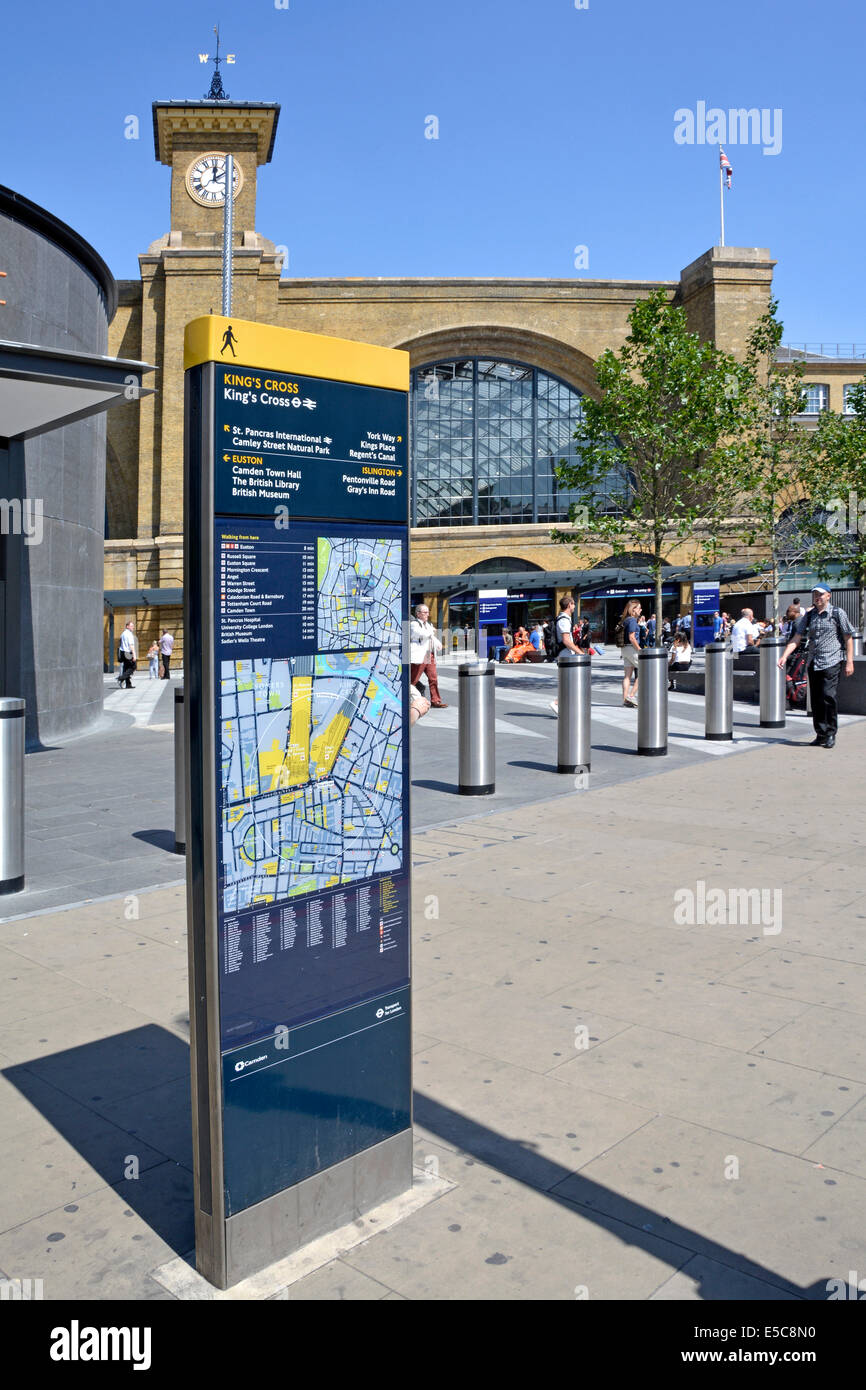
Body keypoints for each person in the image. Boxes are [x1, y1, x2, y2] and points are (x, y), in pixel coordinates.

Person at [778, 583, 855, 748]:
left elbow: (848, 637)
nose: (817, 597)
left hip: (832, 660)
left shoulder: (837, 613)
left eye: (820, 594)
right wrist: (784, 655)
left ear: (828, 596)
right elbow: (797, 637)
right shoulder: (810, 615)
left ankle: (830, 733)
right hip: (814, 662)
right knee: (816, 699)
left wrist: (849, 661)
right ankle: (820, 734)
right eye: (815, 595)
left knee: (828, 696)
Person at [548, 595, 584, 715]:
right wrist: (580, 652)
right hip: (565, 655)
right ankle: (556, 703)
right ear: (569, 605)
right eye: (573, 604)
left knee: (570, 682)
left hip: (565, 655)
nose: (574, 606)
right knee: (570, 683)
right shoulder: (564, 620)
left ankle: (564, 707)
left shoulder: (564, 618)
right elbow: (566, 640)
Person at [409, 603, 447, 708]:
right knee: (413, 680)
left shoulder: (428, 625)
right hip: (420, 656)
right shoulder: (414, 624)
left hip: (429, 655)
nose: (427, 614)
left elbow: (430, 637)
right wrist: (431, 631)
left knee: (433, 678)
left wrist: (438, 644)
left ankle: (436, 700)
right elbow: (422, 634)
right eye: (425, 612)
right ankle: (412, 699)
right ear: (418, 614)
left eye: (428, 612)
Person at [618, 599, 642, 707]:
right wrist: (640, 650)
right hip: (632, 649)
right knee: (644, 671)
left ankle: (625, 699)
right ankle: (631, 696)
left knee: (627, 676)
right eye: (639, 608)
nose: (641, 610)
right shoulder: (632, 620)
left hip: (624, 649)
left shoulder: (625, 620)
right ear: (633, 609)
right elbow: (632, 637)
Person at [117, 621, 137, 689]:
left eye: (133, 626)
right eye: (131, 626)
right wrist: (134, 655)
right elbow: (131, 645)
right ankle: (121, 678)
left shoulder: (123, 634)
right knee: (133, 666)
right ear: (127, 626)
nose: (133, 627)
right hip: (127, 653)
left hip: (123, 652)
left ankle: (128, 684)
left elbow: (119, 641)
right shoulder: (129, 634)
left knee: (126, 668)